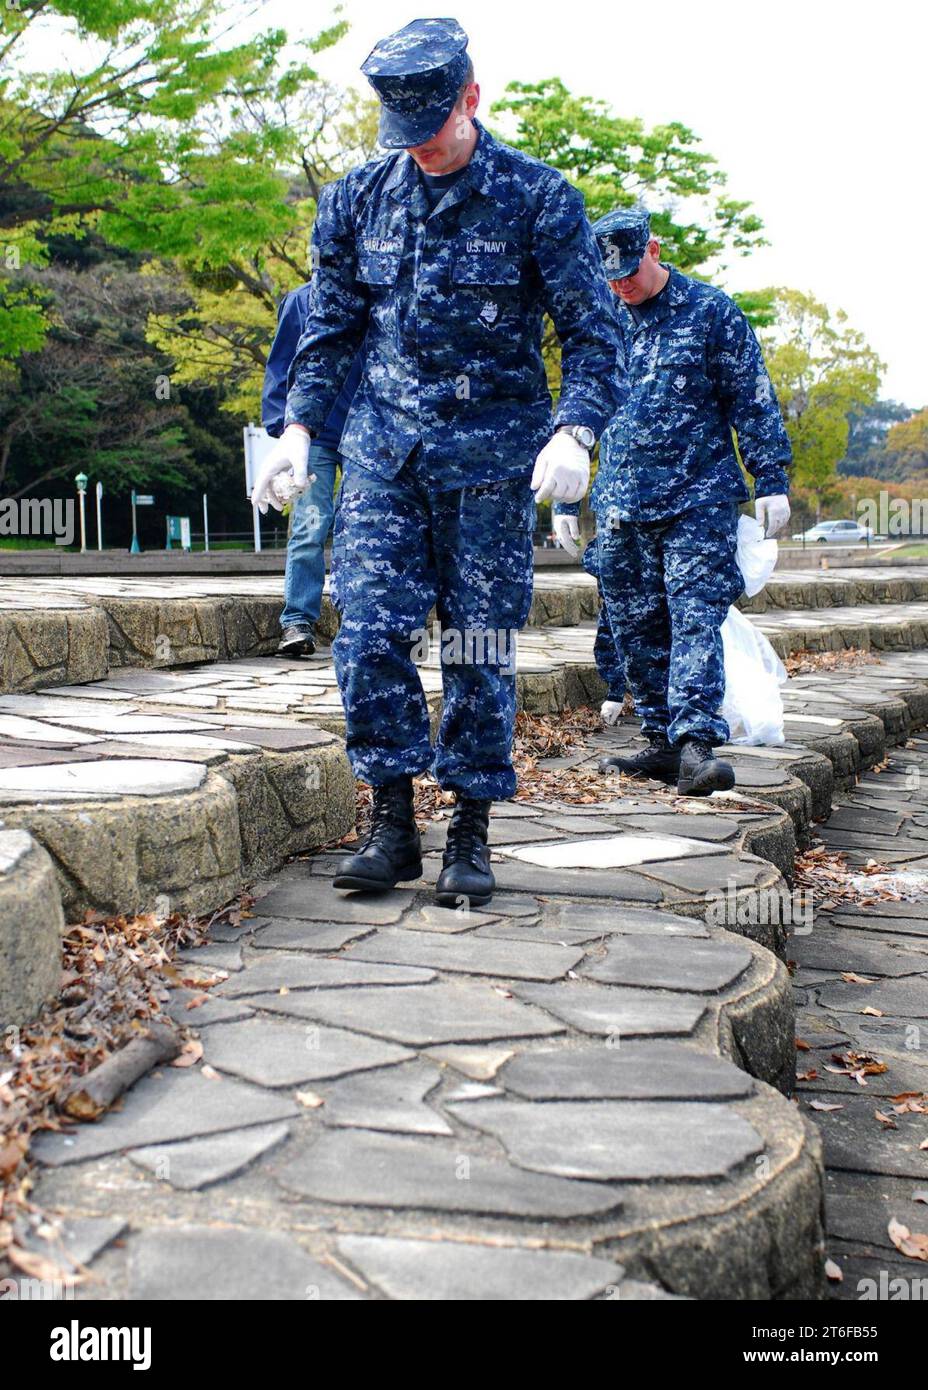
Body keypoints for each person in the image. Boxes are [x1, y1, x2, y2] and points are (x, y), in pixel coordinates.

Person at [251, 17, 621, 906]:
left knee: (477, 646)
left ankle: (471, 829)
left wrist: (576, 431)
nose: (420, 149)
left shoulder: (539, 198)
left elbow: (592, 331)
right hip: (383, 452)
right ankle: (391, 820)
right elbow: (330, 329)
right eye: (404, 135)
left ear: (472, 98)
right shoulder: (354, 199)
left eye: (436, 129)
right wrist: (296, 430)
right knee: (370, 637)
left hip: (493, 460)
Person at [554, 206, 791, 796]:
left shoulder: (710, 312)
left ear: (654, 249)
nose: (622, 286)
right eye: (610, 278)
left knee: (693, 618)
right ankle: (661, 740)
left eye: (629, 272)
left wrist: (771, 476)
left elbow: (751, 396)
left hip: (697, 498)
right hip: (621, 503)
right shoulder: (602, 320)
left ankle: (695, 745)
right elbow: (578, 404)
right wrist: (565, 497)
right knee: (637, 626)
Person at [259, 285, 363, 656]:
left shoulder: (371, 291)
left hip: (364, 433)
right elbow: (280, 364)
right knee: (310, 525)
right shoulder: (300, 300)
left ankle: (359, 619)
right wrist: (280, 429)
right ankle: (297, 619)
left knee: (362, 529)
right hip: (311, 433)